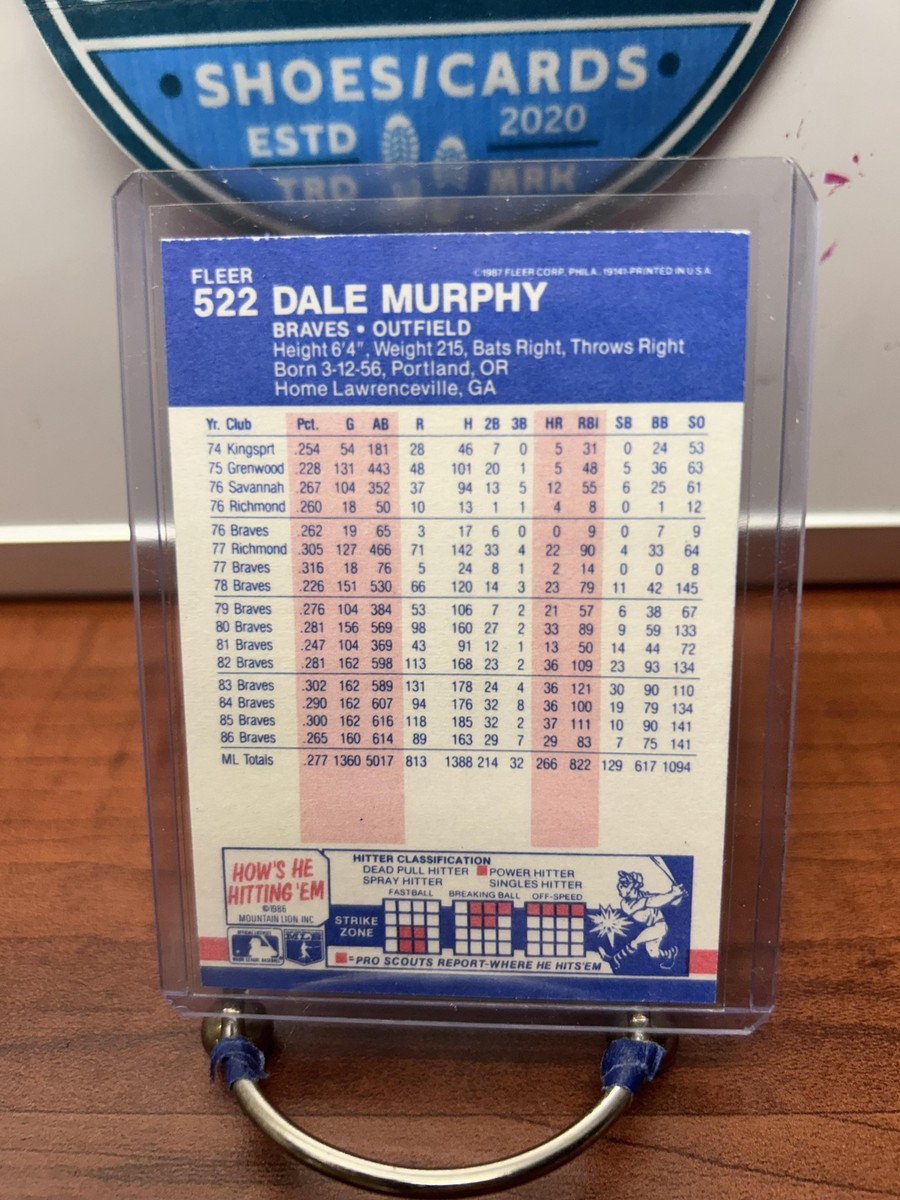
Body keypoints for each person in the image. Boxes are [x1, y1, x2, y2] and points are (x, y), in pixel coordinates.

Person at [611, 870, 685, 971]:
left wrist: (679, 896)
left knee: (635, 942)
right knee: (653, 953)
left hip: (659, 926)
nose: (620, 886)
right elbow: (652, 902)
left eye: (625, 883)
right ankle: (670, 954)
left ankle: (616, 959)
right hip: (651, 927)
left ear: (635, 885)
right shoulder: (626, 904)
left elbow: (667, 901)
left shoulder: (645, 895)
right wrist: (673, 894)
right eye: (621, 882)